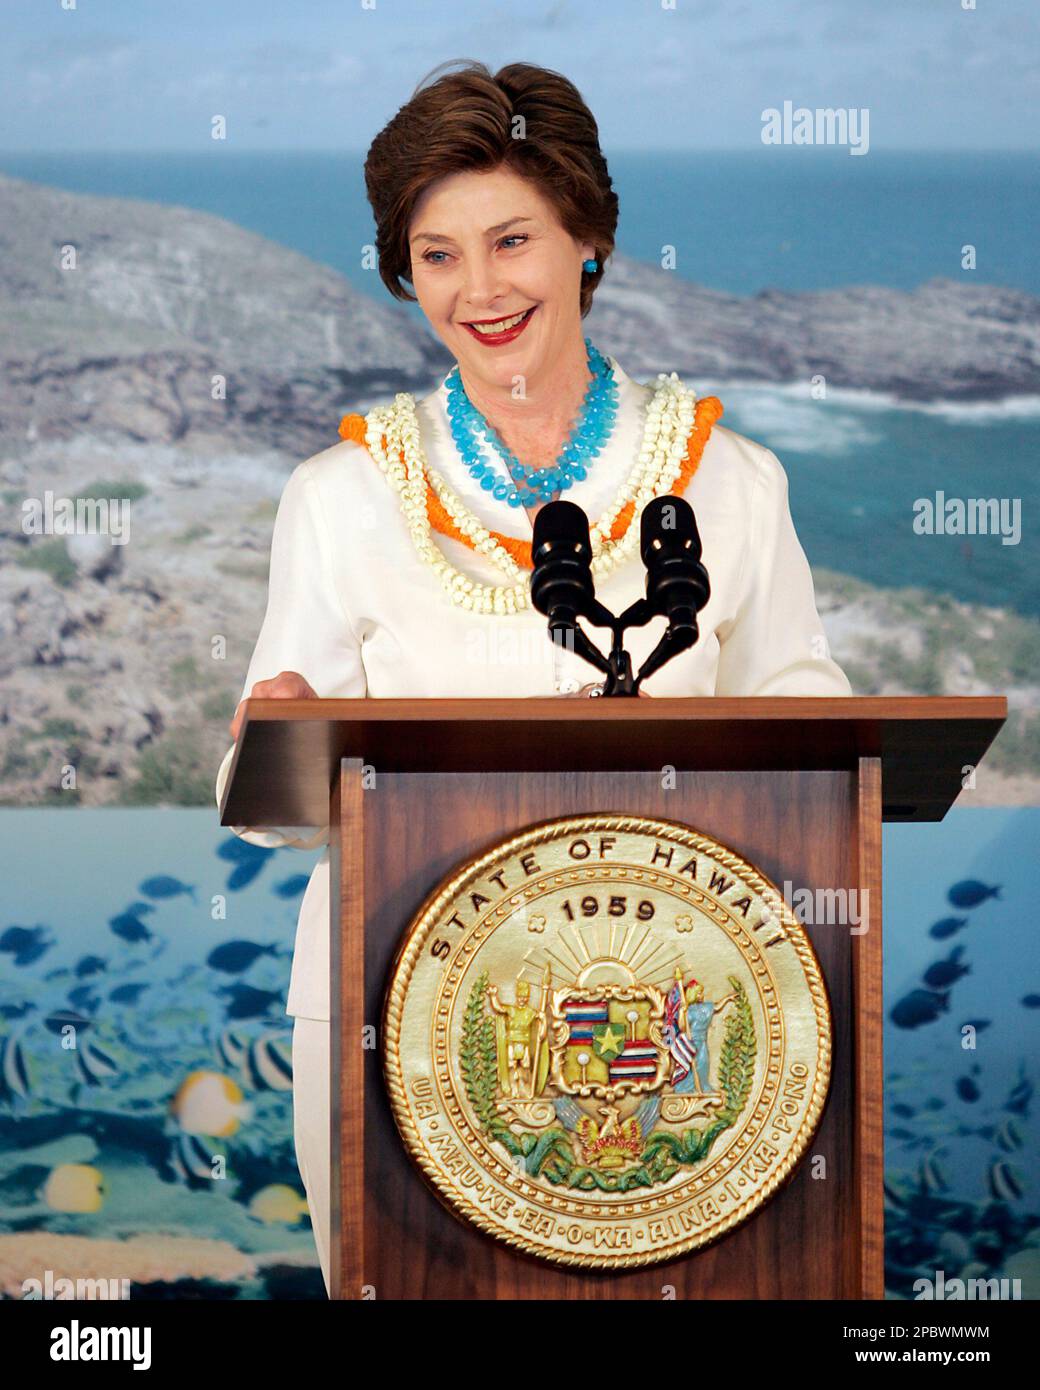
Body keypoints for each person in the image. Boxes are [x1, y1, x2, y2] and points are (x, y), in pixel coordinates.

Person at [213, 59, 852, 1296]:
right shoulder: (338, 496)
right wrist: (279, 739)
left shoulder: (727, 482)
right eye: (436, 254)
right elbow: (268, 791)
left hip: (673, 1023)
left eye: (511, 240)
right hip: (383, 1009)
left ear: (588, 241)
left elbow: (817, 742)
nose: (479, 287)